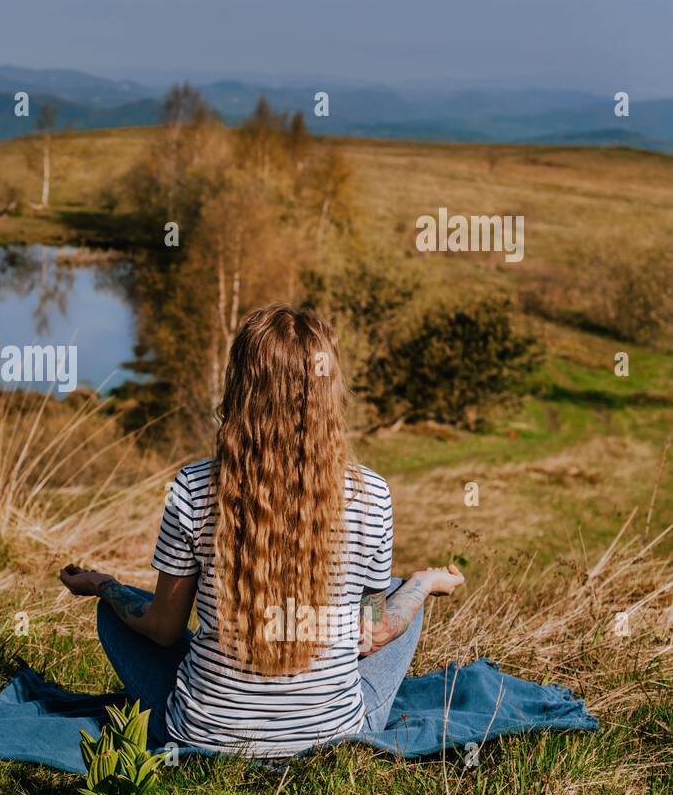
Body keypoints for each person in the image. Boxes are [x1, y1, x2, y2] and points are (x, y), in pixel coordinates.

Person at [59, 303, 464, 758]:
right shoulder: (372, 493)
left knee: (116, 614)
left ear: (241, 387)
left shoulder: (193, 487)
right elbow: (372, 636)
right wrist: (424, 583)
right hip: (331, 740)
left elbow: (162, 630)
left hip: (205, 737)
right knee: (398, 594)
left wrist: (105, 587)